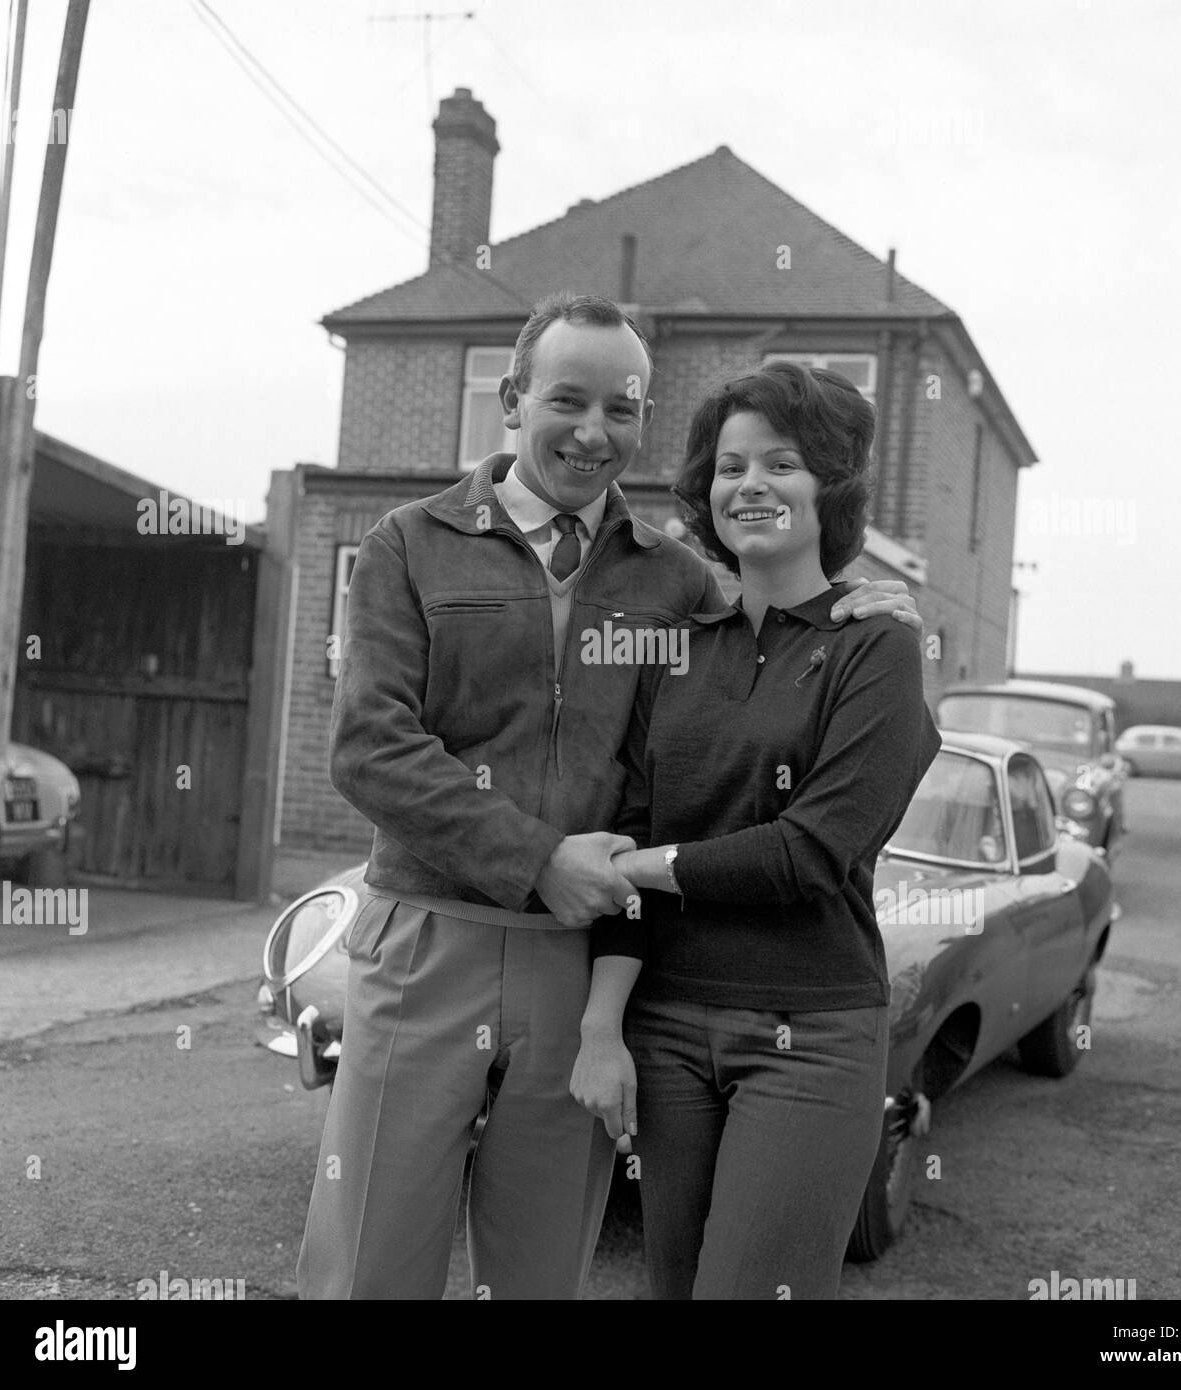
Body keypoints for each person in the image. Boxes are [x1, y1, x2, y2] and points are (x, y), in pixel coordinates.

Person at [297, 292, 922, 1301]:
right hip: (426, 944)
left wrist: (868, 601)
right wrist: (536, 855)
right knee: (369, 1266)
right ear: (511, 400)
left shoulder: (678, 581)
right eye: (568, 400)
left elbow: (783, 615)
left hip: (574, 960)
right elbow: (371, 748)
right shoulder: (406, 544)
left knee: (542, 1272)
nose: (594, 433)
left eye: (622, 409)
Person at [572, 360, 941, 1300]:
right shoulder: (679, 647)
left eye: (783, 464)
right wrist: (602, 1028)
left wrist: (642, 867)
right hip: (665, 1030)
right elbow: (629, 821)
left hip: (809, 1031)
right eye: (731, 467)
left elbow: (811, 853)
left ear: (832, 488)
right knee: (674, 1287)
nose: (752, 486)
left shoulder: (877, 646)